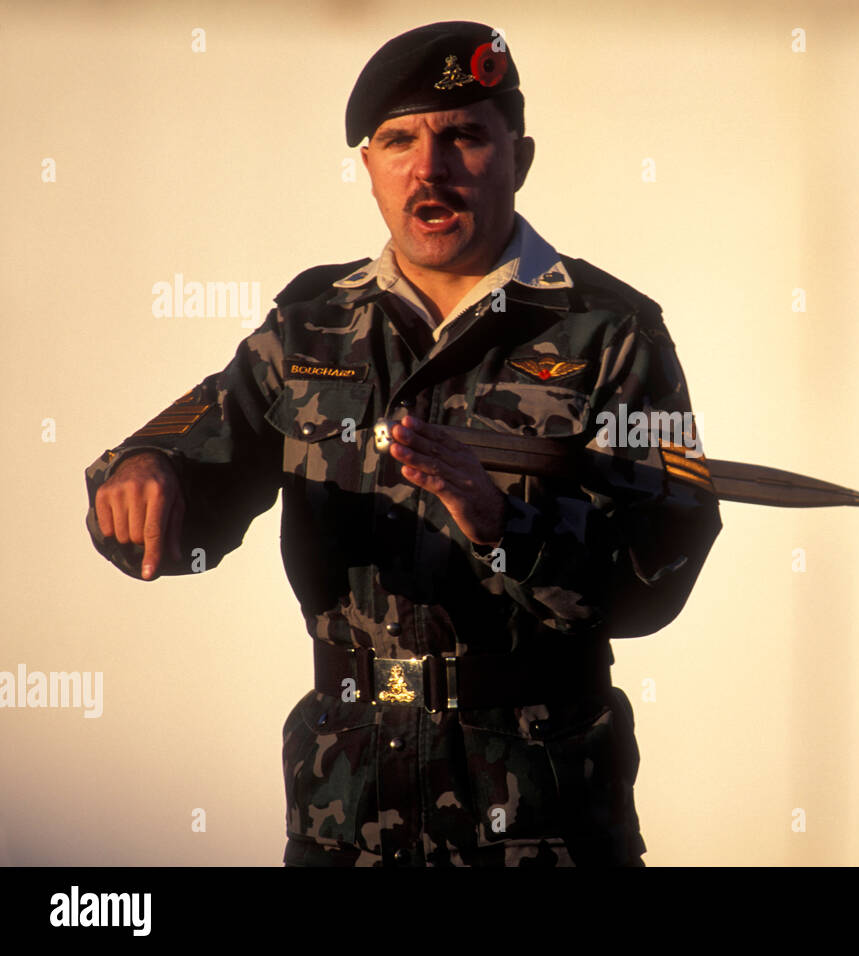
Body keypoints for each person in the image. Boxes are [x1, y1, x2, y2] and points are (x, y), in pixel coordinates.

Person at [83, 20, 722, 867]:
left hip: (543, 821)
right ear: (369, 168)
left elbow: (660, 575)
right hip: (347, 812)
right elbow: (180, 479)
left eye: (464, 136)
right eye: (399, 142)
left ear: (520, 158)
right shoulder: (310, 327)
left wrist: (505, 528)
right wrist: (142, 476)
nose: (430, 168)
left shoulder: (612, 331)